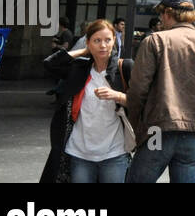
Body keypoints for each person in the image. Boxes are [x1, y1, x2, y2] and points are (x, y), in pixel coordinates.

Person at [124, 0, 195, 183]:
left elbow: (138, 91)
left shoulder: (155, 41)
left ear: (166, 13)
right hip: (194, 134)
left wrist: (136, 127)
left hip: (157, 131)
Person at [41, 19, 133, 183]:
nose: (103, 45)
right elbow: (50, 64)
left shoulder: (124, 68)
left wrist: (117, 96)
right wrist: (83, 52)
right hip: (80, 152)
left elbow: (144, 102)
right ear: (88, 42)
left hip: (114, 152)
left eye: (107, 40)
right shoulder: (80, 69)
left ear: (114, 41)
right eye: (97, 41)